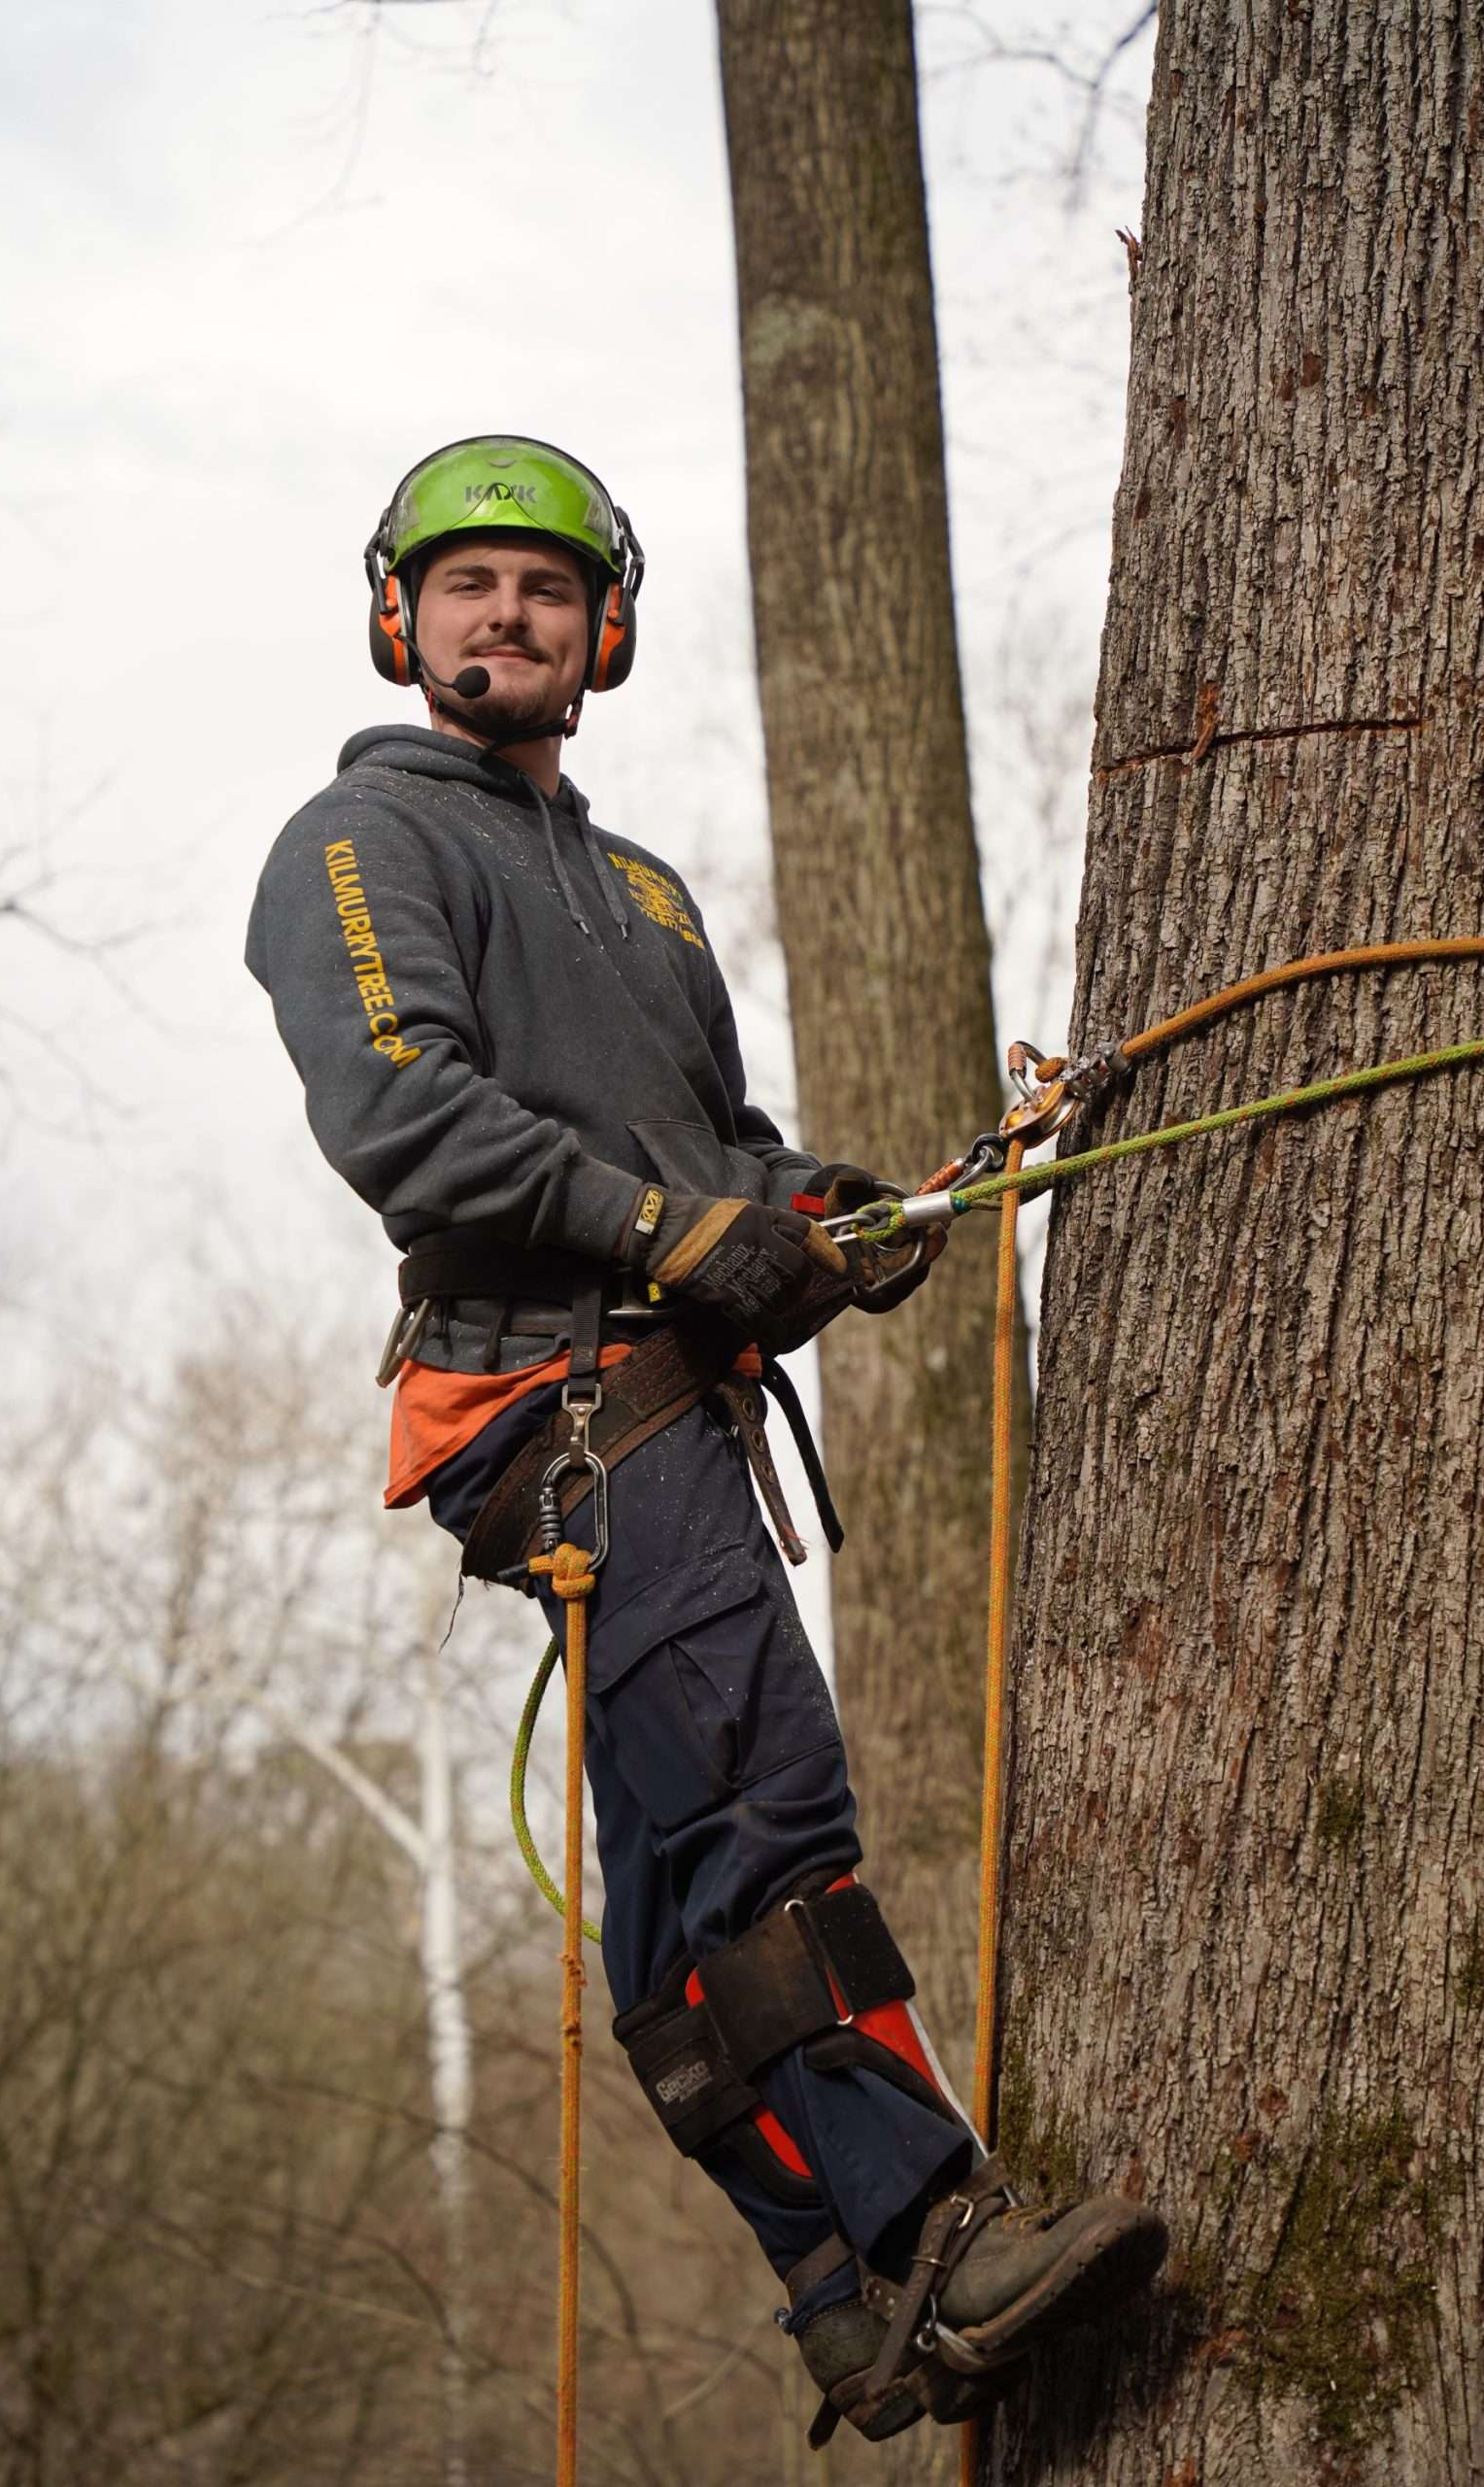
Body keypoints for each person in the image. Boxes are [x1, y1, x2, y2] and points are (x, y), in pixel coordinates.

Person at [246, 433, 1165, 2446]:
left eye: (547, 589)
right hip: (559, 1398)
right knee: (760, 1793)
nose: (509, 613)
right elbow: (402, 1104)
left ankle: (835, 2290)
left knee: (681, 1869)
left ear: (606, 631)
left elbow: (708, 1144)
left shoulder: (639, 883)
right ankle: (927, 2223)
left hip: (664, 1383)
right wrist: (676, 1235)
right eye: (470, 584)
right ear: (399, 617)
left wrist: (798, 1202)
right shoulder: (359, 839)